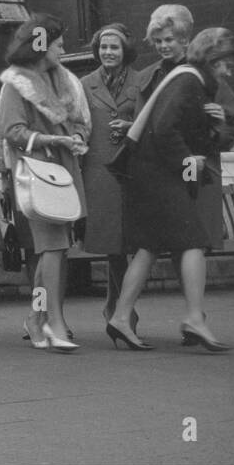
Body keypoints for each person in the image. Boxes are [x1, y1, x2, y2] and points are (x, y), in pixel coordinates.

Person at [108, 29, 234, 352]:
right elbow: (164, 129)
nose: (229, 71)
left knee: (149, 247)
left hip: (150, 174)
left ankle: (121, 317)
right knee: (194, 241)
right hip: (158, 176)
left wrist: (220, 124)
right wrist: (187, 159)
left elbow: (202, 136)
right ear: (212, 60)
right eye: (224, 64)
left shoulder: (194, 83)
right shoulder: (189, 81)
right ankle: (194, 317)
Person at [0, 14, 91, 353]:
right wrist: (55, 140)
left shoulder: (64, 81)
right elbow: (13, 132)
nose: (63, 49)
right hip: (36, 174)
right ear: (40, 45)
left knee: (56, 248)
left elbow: (80, 121)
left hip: (63, 172)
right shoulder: (16, 83)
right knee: (52, 248)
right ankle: (54, 320)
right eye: (59, 43)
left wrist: (77, 137)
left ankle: (37, 318)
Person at [78, 24, 140, 327]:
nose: (108, 52)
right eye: (103, 47)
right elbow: (77, 124)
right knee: (111, 242)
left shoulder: (142, 81)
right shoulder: (85, 83)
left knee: (130, 241)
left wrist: (131, 126)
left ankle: (116, 304)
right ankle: (119, 308)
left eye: (114, 47)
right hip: (99, 170)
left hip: (131, 170)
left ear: (125, 50)